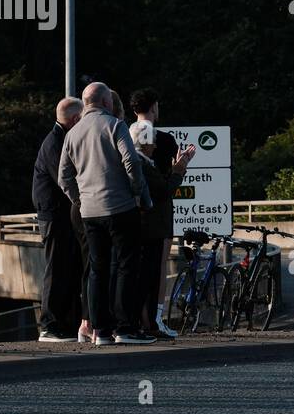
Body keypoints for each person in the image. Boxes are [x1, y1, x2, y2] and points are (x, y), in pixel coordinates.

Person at [59, 81, 154, 346]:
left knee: (97, 270)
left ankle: (100, 331)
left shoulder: (73, 133)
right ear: (106, 102)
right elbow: (131, 161)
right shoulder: (115, 125)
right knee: (127, 265)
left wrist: (79, 199)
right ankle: (125, 327)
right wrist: (141, 196)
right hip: (120, 207)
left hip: (89, 212)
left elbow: (63, 177)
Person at [130, 121, 193, 337]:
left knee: (148, 278)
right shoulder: (141, 164)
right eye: (152, 142)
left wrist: (177, 169)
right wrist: (178, 171)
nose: (155, 146)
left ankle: (147, 324)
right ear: (144, 143)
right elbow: (164, 191)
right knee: (146, 279)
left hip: (152, 228)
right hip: (150, 229)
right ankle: (142, 324)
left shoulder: (144, 162)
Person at [32, 98, 84, 342]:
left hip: (59, 215)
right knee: (57, 268)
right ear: (74, 120)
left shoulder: (58, 139)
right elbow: (66, 179)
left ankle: (65, 322)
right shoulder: (55, 143)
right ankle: (50, 325)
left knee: (68, 268)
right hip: (55, 215)